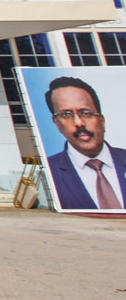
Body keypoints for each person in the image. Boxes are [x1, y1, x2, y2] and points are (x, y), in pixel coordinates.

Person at [41, 76, 125, 211]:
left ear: (102, 120)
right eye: (66, 114)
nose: (79, 123)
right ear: (57, 123)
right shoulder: (47, 172)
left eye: (85, 113)